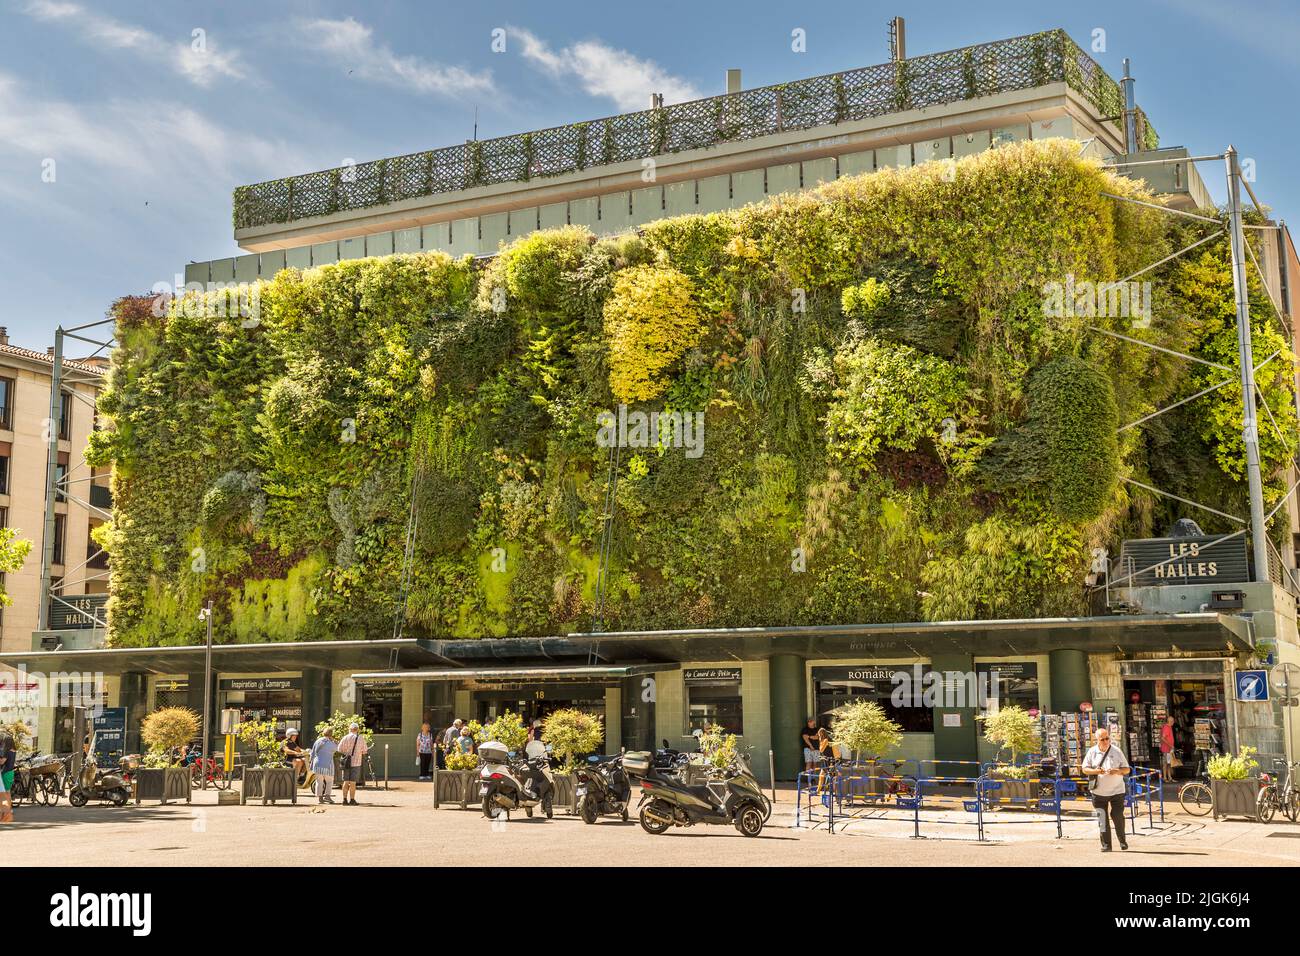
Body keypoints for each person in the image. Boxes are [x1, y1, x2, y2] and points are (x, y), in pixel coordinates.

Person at [1082, 726, 1131, 852]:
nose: (1105, 741)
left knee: (1117, 816)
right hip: (1098, 793)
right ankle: (1106, 845)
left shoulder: (1116, 751)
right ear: (1097, 740)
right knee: (1102, 819)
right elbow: (1084, 769)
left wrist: (1117, 771)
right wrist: (1096, 771)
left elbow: (1127, 769)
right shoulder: (1092, 752)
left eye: (1107, 738)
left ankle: (1122, 841)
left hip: (1117, 791)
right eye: (1102, 739)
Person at [338, 722, 369, 806]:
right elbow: (365, 750)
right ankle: (352, 800)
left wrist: (346, 752)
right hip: (356, 762)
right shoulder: (360, 738)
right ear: (357, 729)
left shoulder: (345, 737)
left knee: (345, 781)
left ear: (350, 729)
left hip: (346, 763)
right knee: (353, 782)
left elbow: (339, 749)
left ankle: (344, 800)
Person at [309, 728, 338, 804]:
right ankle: (327, 796)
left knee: (319, 781)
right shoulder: (331, 743)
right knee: (329, 781)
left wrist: (311, 764)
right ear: (331, 734)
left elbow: (312, 753)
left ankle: (320, 799)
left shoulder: (318, 741)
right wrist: (334, 740)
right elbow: (338, 748)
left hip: (317, 764)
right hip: (327, 764)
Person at [1159, 716, 1176, 780]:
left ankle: (1169, 777)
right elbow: (1163, 738)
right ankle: (1165, 777)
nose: (1173, 722)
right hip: (1166, 749)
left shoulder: (1169, 727)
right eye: (1173, 721)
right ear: (1170, 721)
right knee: (1165, 763)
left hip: (1169, 749)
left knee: (1169, 763)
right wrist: (1170, 745)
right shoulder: (1166, 727)